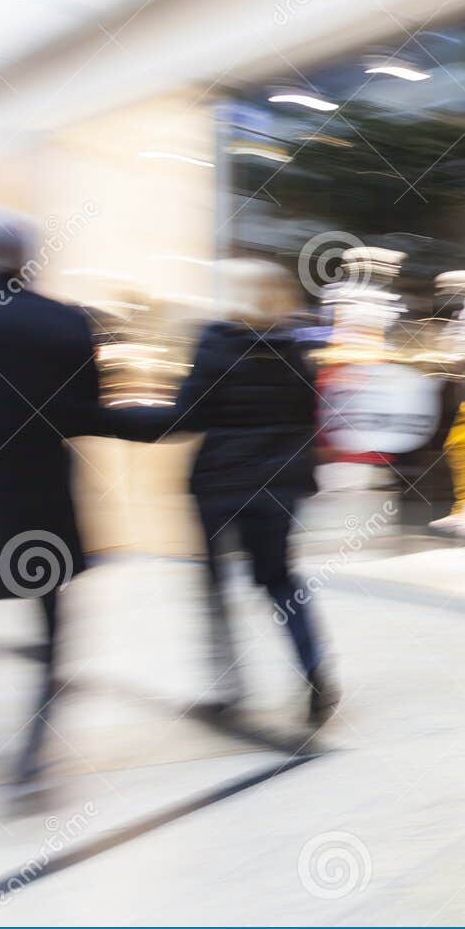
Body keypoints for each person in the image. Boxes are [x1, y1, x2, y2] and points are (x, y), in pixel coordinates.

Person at [111, 259, 337, 726]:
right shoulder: (296, 351)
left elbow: (185, 417)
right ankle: (316, 675)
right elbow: (308, 423)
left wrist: (112, 418)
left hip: (221, 485)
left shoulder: (216, 343)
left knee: (214, 586)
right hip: (278, 487)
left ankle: (230, 691)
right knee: (279, 581)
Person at [0, 208, 105, 788]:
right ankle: (35, 749)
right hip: (38, 490)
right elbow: (83, 411)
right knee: (50, 611)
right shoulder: (66, 323)